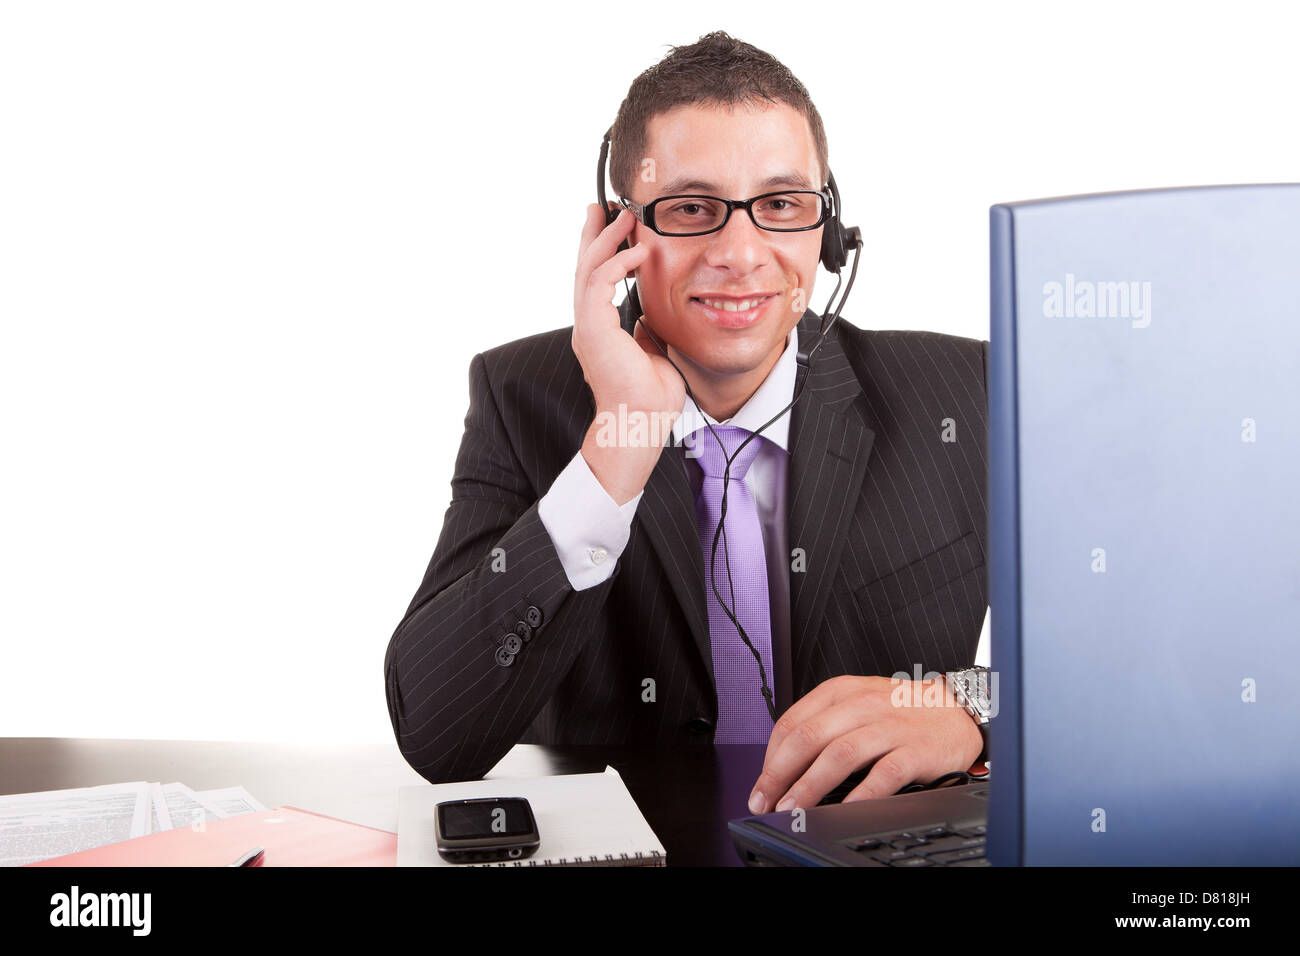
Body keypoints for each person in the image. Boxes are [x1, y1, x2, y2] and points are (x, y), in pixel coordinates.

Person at [384, 31, 988, 815]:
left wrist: (974, 703)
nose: (741, 253)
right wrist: (620, 443)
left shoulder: (964, 394)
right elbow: (435, 730)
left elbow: (1145, 655)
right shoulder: (519, 395)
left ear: (827, 233)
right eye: (694, 209)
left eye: (780, 205)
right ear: (622, 233)